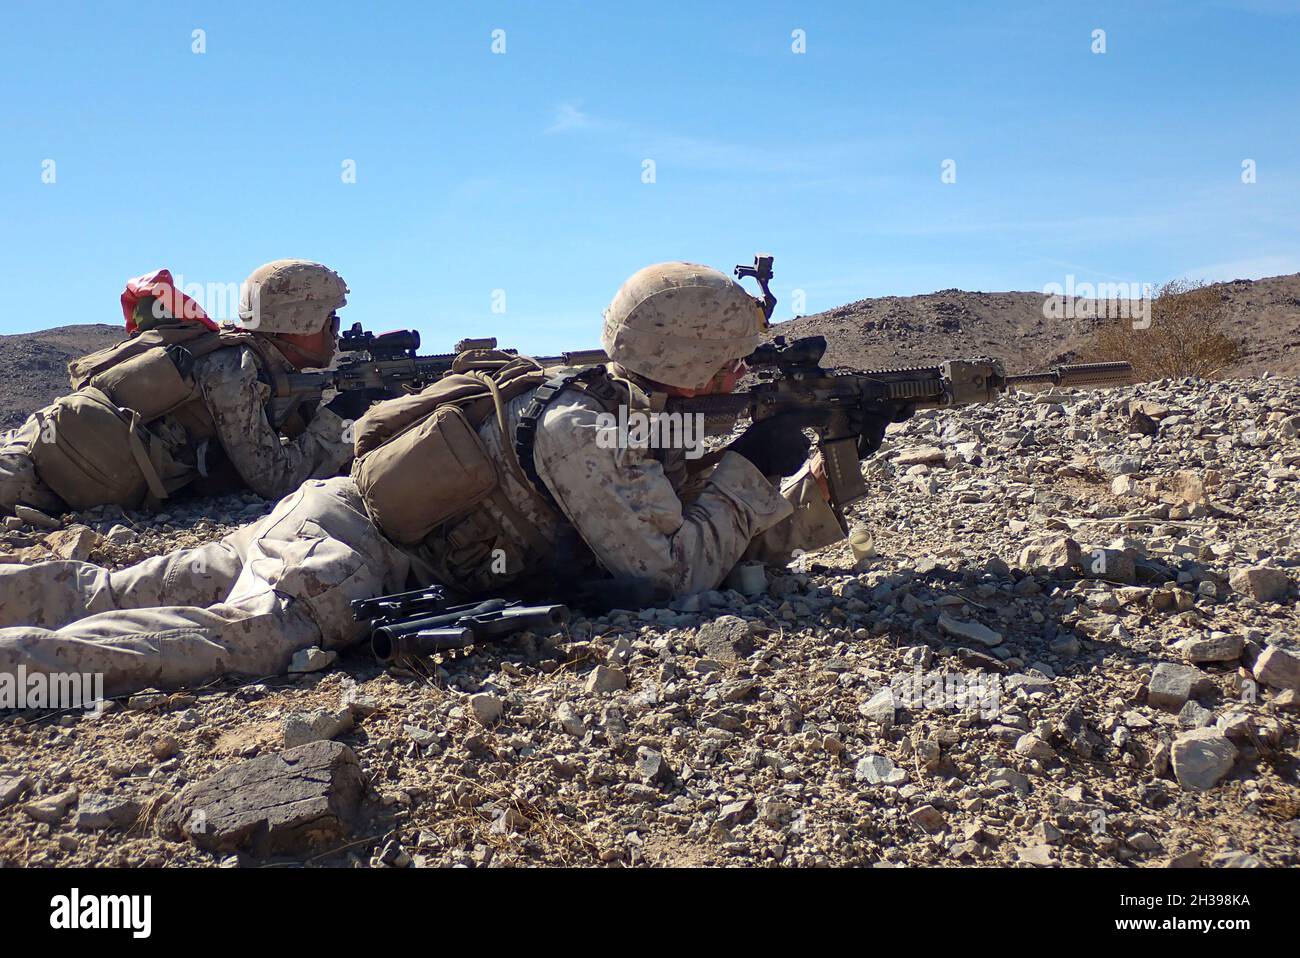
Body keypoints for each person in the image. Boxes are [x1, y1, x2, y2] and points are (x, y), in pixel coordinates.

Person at [0, 262, 847, 696]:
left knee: (109, 586)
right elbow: (663, 574)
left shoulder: (600, 402)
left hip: (317, 516)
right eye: (731, 363)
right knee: (240, 643)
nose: (741, 378)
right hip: (343, 560)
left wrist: (786, 473)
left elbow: (658, 511)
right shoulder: (586, 430)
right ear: (689, 359)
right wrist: (749, 472)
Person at [0, 259, 365, 516]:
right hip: (39, 469)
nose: (336, 334)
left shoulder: (255, 363)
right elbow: (274, 478)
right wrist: (343, 422)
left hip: (51, 447)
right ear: (297, 323)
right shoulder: (233, 369)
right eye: (330, 321)